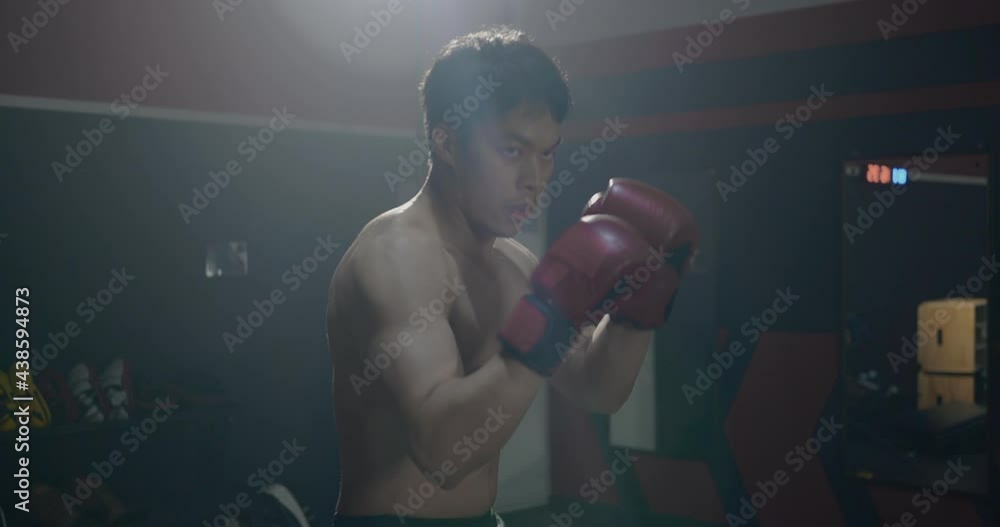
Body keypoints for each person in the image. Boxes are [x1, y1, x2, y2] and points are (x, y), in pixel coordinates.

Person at [326, 26, 697, 527]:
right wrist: (547, 322)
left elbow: (598, 388)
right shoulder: (397, 256)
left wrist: (639, 305)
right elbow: (444, 455)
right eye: (511, 151)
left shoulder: (513, 262)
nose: (536, 178)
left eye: (547, 153)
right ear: (448, 143)